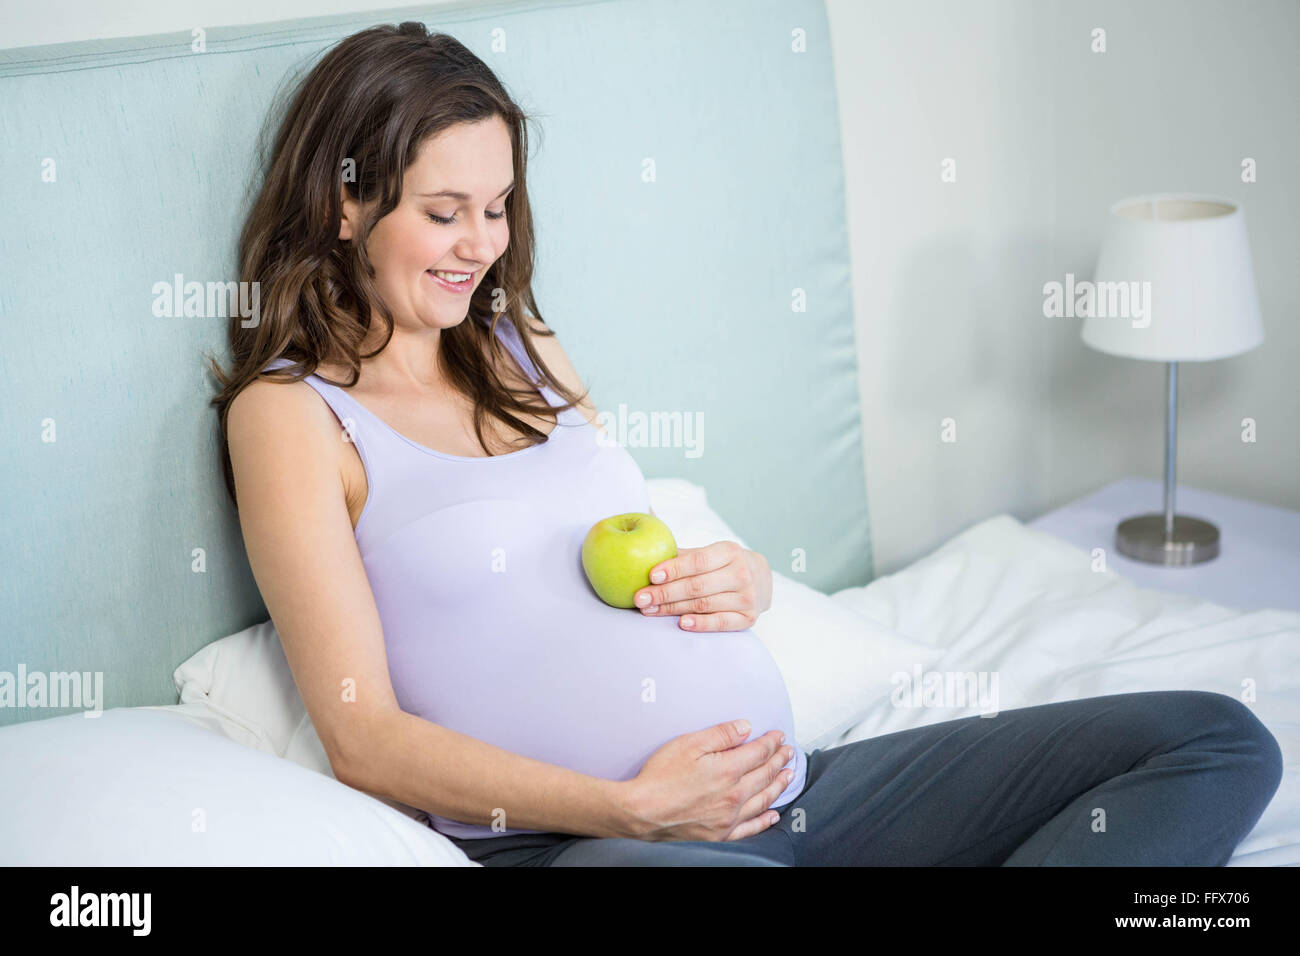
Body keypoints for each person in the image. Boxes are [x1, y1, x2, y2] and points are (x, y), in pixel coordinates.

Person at [212, 22, 1282, 866]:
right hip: (592, 839)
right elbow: (363, 738)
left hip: (792, 790)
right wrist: (631, 804)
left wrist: (746, 581)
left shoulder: (518, 342)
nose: (482, 245)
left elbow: (619, 564)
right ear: (345, 202)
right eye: (444, 212)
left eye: (496, 207)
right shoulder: (293, 414)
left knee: (1216, 739)